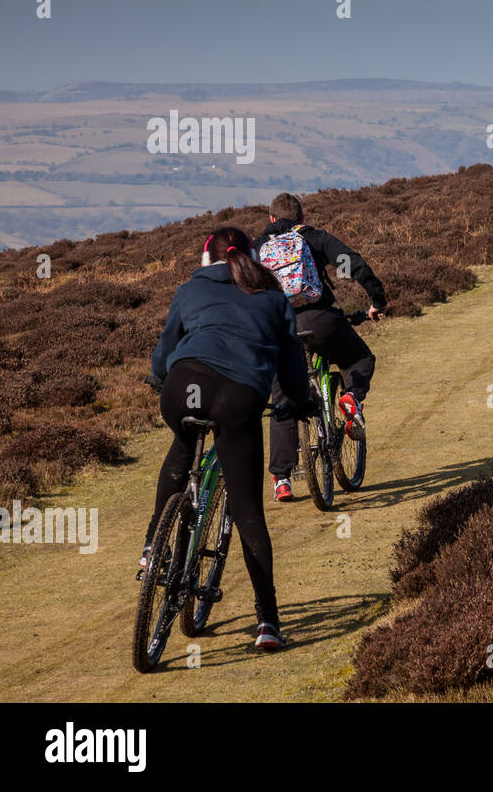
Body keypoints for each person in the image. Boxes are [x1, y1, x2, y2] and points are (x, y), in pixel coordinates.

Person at [145, 226, 312, 651]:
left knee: (182, 447)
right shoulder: (273, 299)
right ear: (253, 258)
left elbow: (166, 348)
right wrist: (298, 402)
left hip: (182, 387)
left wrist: (158, 379)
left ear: (206, 259)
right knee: (247, 509)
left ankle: (151, 549)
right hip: (238, 397)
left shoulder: (188, 290)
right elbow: (291, 365)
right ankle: (268, 624)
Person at [255, 193, 387, 502]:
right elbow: (351, 262)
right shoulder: (311, 237)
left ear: (272, 218)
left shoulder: (259, 246)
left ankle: (283, 479)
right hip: (321, 321)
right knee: (359, 358)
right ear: (300, 218)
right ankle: (351, 397)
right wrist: (377, 300)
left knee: (283, 398)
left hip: (280, 330)